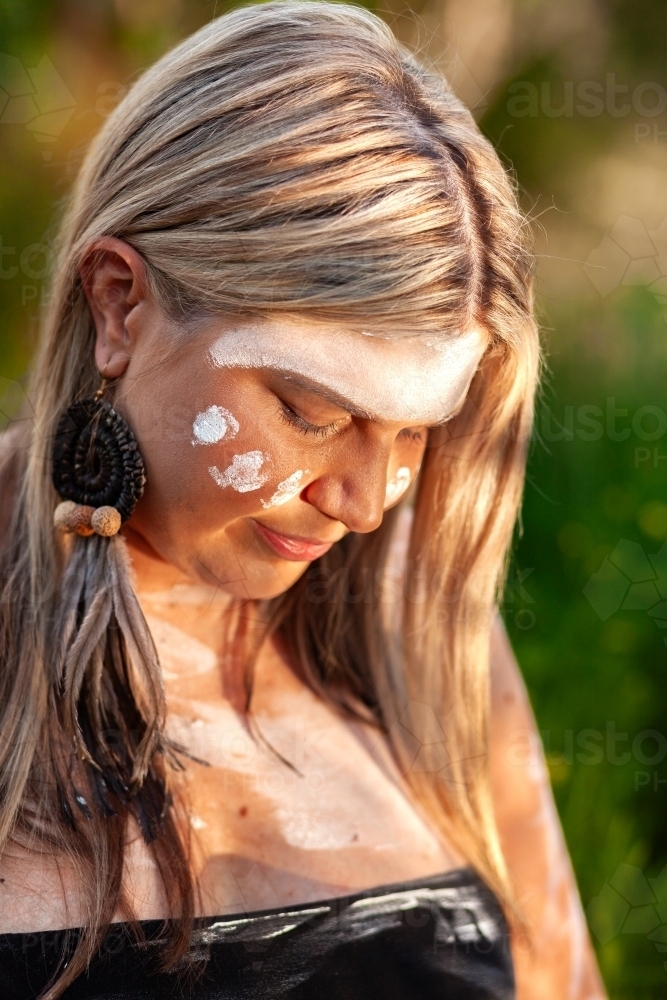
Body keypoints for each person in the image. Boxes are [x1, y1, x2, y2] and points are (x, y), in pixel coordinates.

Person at [0, 3, 607, 997]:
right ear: (119, 304)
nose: (366, 502)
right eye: (311, 413)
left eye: (415, 430)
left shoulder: (412, 626)